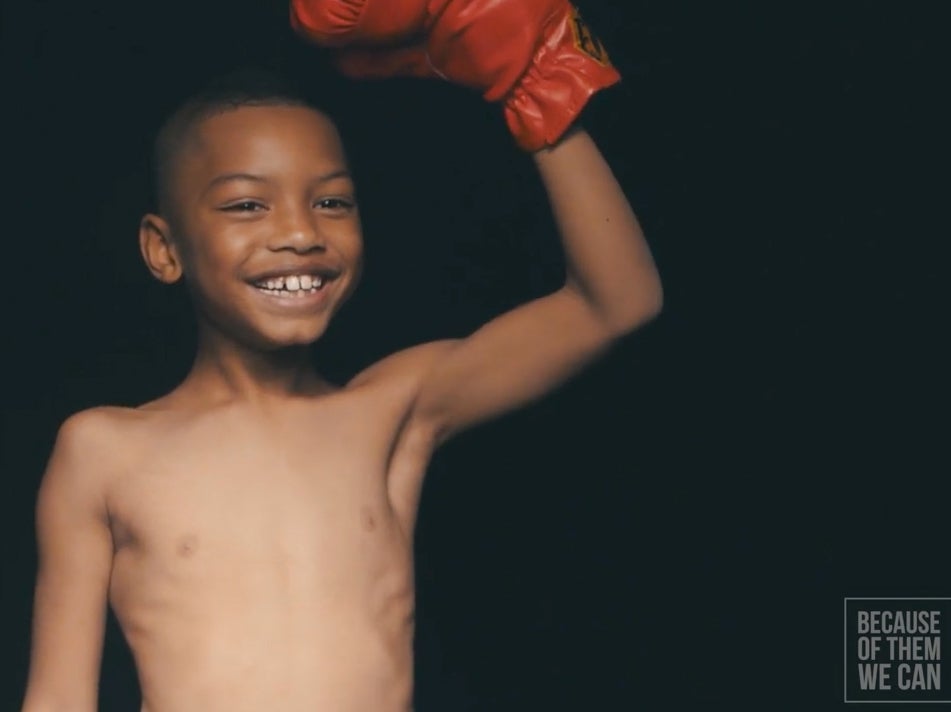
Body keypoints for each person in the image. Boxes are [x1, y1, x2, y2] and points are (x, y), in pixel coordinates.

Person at [20, 1, 662, 710]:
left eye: (332, 203)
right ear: (164, 249)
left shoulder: (391, 413)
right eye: (245, 206)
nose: (299, 233)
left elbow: (616, 303)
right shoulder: (103, 450)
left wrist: (535, 86)